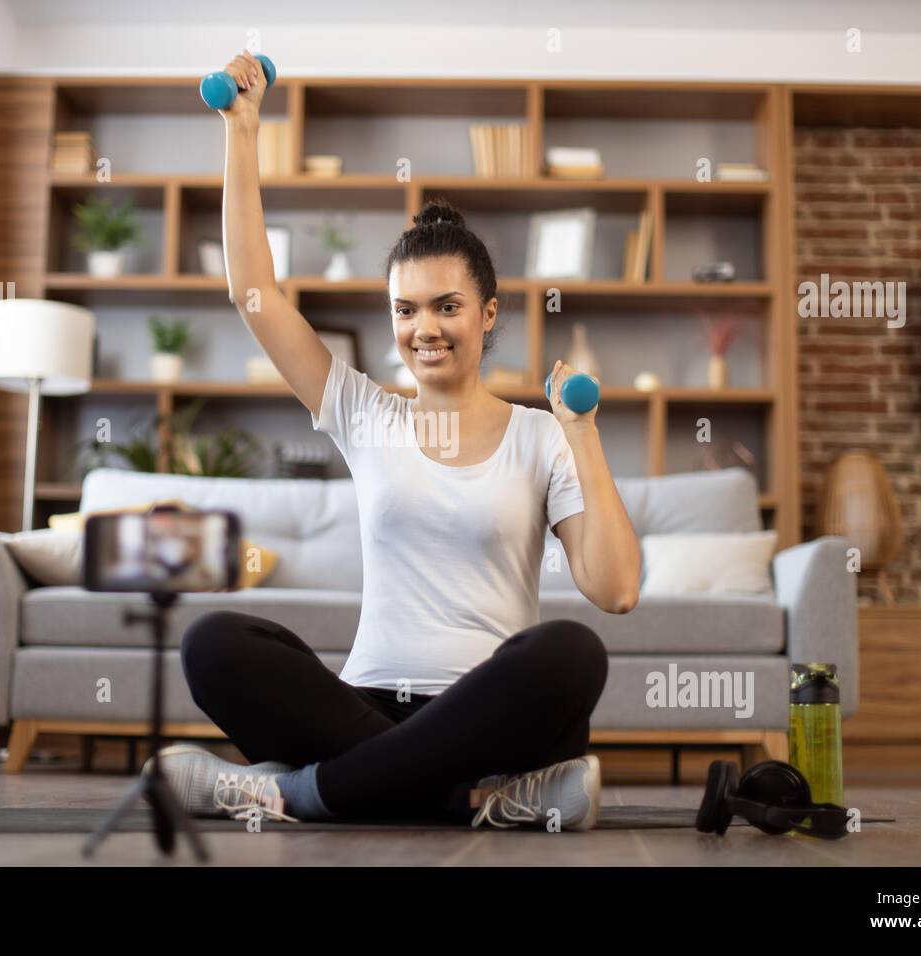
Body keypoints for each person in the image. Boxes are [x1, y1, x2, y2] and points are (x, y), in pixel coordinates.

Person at [151, 51, 641, 830]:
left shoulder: (543, 435)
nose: (425, 329)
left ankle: (299, 792)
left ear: (486, 315)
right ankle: (474, 800)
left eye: (446, 307)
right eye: (405, 311)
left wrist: (582, 435)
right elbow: (256, 297)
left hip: (491, 712)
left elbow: (614, 590)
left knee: (571, 654)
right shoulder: (361, 410)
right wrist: (242, 131)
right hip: (366, 701)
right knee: (213, 642)